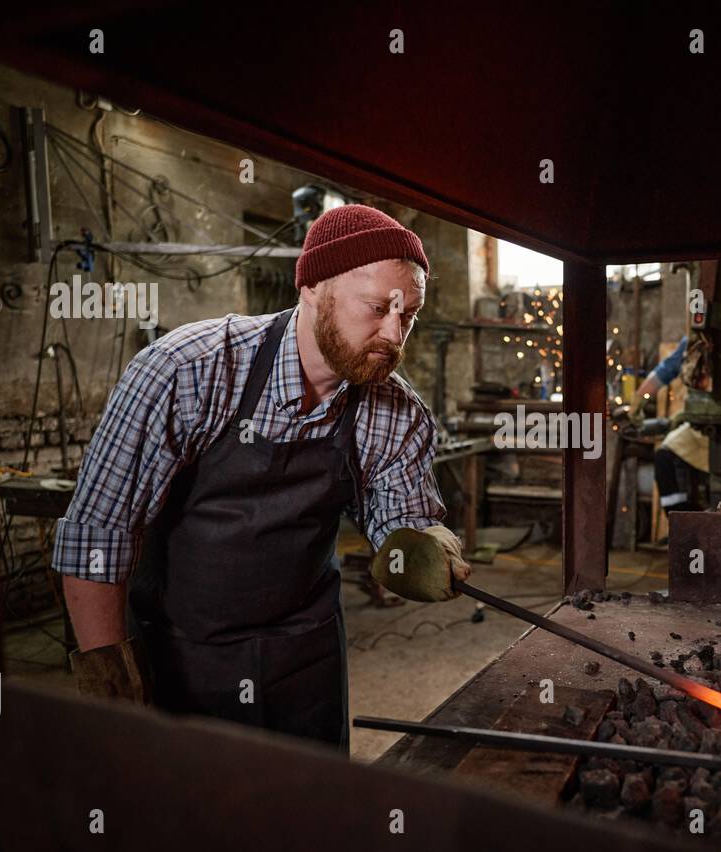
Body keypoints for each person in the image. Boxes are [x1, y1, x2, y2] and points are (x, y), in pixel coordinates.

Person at [52, 204, 471, 749]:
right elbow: (99, 534)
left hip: (305, 655)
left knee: (307, 819)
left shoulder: (394, 411)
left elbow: (399, 524)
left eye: (408, 315)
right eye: (377, 308)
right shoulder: (188, 370)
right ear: (314, 289)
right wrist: (111, 680)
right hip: (181, 652)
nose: (394, 334)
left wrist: (421, 546)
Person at [627, 336, 709, 517]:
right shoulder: (696, 340)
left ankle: (685, 522)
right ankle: (680, 521)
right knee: (666, 458)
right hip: (705, 426)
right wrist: (639, 397)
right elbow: (668, 369)